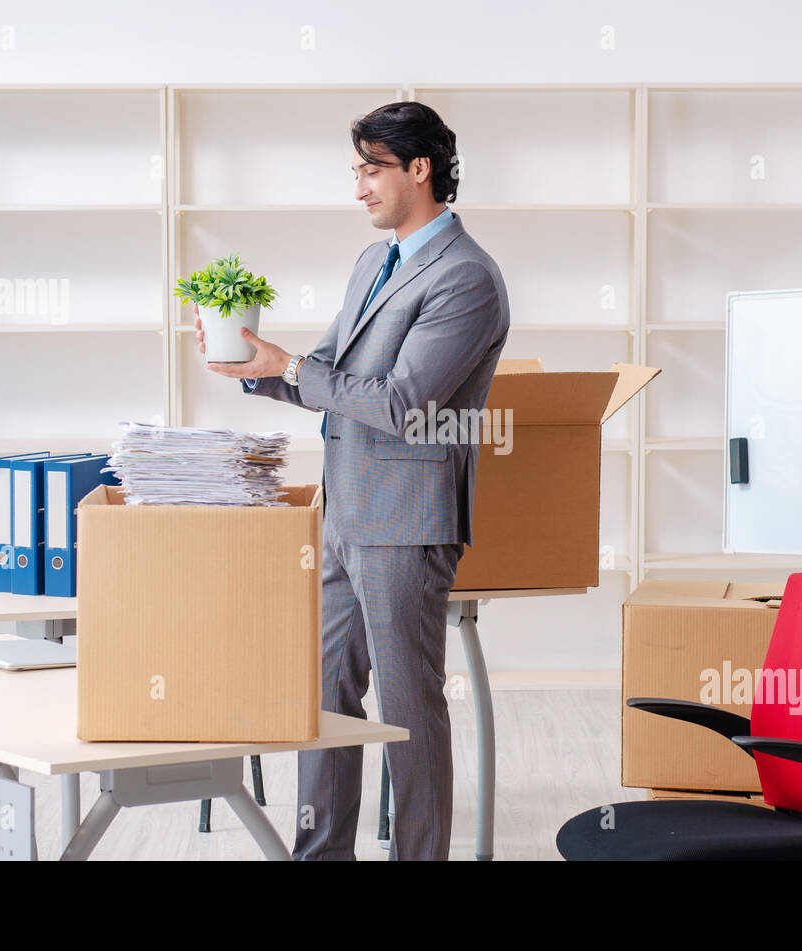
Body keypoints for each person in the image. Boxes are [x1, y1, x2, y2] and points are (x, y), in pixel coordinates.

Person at [195, 101, 510, 860]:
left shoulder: (467, 279)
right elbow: (330, 375)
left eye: (372, 170)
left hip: (406, 521)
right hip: (342, 516)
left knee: (407, 711)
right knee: (327, 698)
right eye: (358, 171)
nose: (360, 188)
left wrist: (290, 368)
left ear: (419, 170)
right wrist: (254, 369)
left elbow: (404, 405)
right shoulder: (376, 262)